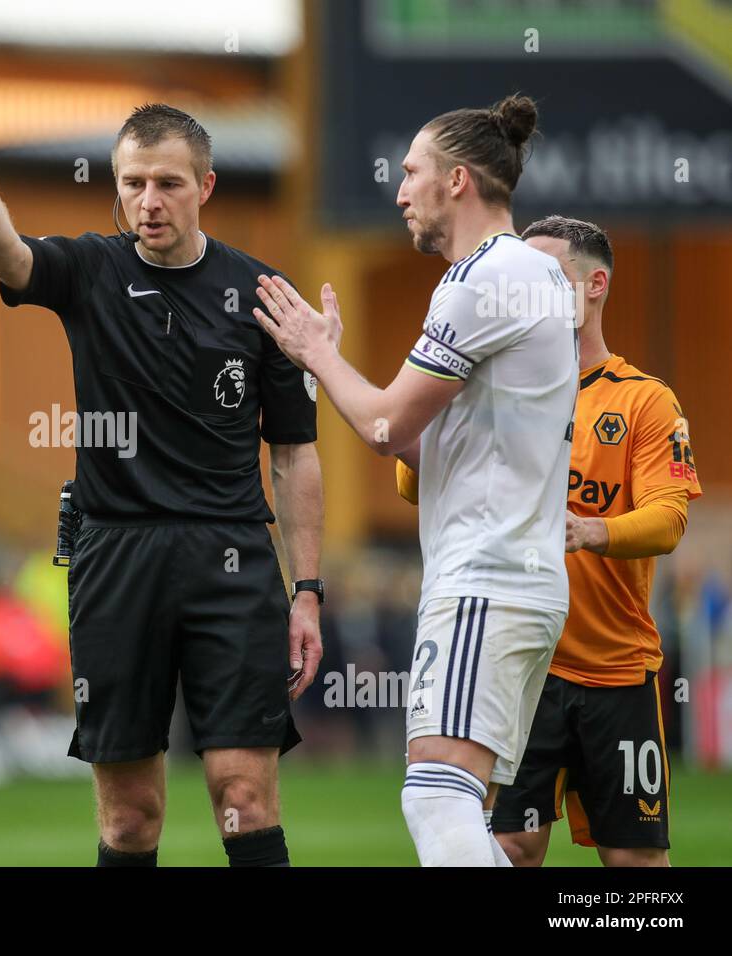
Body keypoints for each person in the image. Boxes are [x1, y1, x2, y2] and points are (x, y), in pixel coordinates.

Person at [0, 86, 323, 867]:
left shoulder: (264, 295)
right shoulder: (90, 270)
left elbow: (294, 453)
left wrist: (306, 591)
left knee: (243, 797)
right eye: (133, 183)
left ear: (204, 187)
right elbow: (7, 255)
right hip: (116, 557)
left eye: (168, 184)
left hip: (232, 556)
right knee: (130, 816)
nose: (148, 201)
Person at [253, 95, 578, 866]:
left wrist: (315, 352)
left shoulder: (480, 282)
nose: (398, 191)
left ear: (457, 181)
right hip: (520, 582)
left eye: (411, 173)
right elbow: (437, 451)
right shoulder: (535, 278)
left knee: (434, 797)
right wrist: (339, 370)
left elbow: (384, 426)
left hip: (483, 581)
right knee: (475, 816)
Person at [480, 216, 698, 866]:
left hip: (615, 673)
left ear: (593, 285)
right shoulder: (497, 388)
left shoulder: (644, 402)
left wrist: (589, 531)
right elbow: (414, 482)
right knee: (508, 847)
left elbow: (668, 521)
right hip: (521, 668)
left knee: (633, 862)